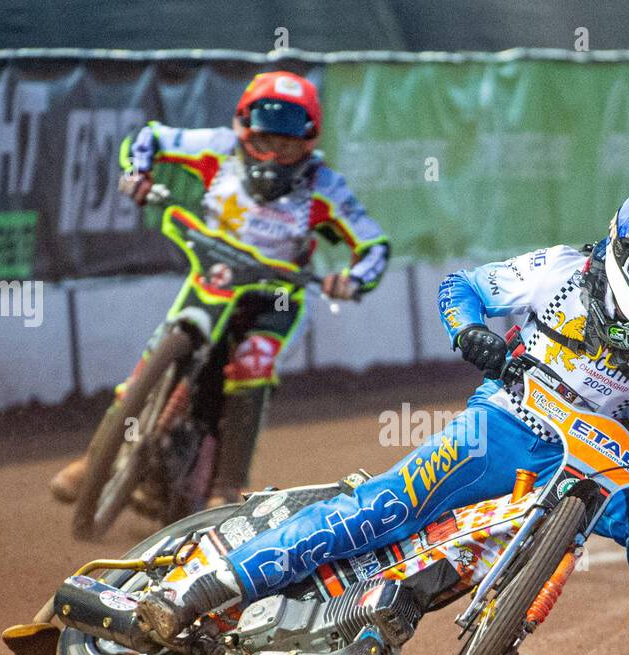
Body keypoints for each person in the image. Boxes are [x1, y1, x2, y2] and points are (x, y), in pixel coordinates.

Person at [132, 184, 629, 655]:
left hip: (595, 465)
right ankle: (198, 589)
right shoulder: (558, 272)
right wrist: (470, 332)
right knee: (380, 511)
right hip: (504, 426)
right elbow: (458, 288)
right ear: (618, 251)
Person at [50, 70, 389, 508]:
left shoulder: (325, 185)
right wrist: (138, 174)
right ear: (244, 128)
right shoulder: (216, 146)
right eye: (264, 140)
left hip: (275, 298)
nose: (271, 155)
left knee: (252, 364)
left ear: (308, 141)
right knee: (157, 351)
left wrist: (353, 279)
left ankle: (225, 488)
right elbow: (149, 137)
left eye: (285, 146)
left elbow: (373, 244)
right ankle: (98, 457)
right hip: (213, 278)